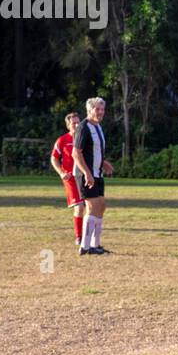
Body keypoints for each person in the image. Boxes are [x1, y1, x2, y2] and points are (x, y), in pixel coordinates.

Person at [73, 97, 114, 255]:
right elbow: (76, 153)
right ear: (89, 110)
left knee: (101, 206)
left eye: (102, 109)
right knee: (92, 207)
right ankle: (85, 246)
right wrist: (87, 173)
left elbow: (95, 151)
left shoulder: (98, 126)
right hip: (86, 174)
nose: (100, 112)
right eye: (97, 109)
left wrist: (104, 162)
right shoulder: (83, 127)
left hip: (97, 173)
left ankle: (95, 245)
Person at [51, 111, 86, 246]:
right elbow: (54, 158)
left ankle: (88, 235)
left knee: (89, 206)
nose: (77, 125)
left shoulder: (84, 139)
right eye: (73, 123)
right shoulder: (62, 140)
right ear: (68, 125)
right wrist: (61, 172)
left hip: (84, 176)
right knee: (79, 206)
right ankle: (79, 237)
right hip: (70, 178)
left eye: (78, 122)